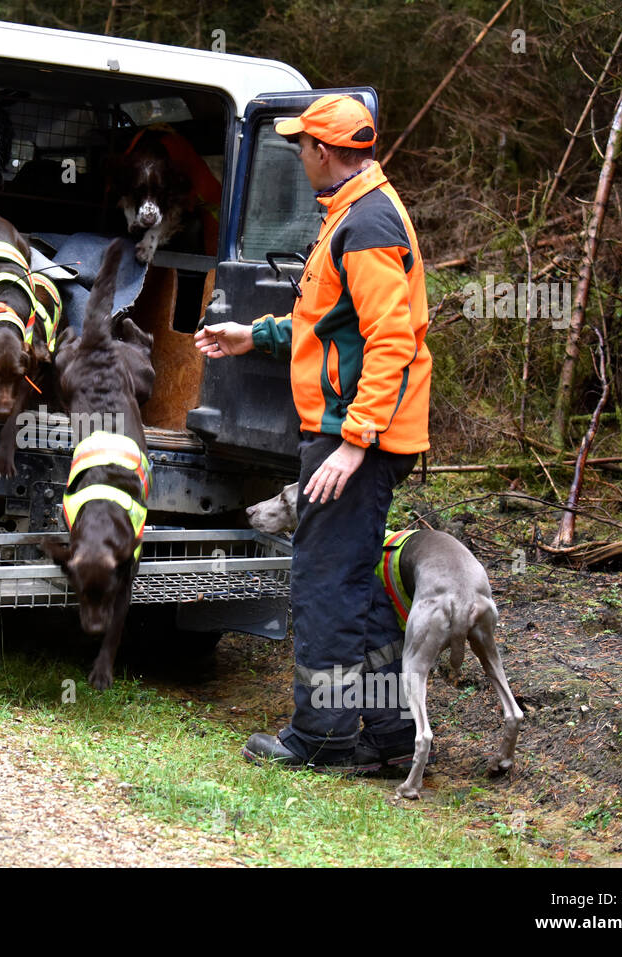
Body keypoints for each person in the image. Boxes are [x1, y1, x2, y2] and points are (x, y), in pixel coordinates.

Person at [194, 93, 432, 769]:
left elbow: (391, 339)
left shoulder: (370, 222)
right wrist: (253, 335)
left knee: (326, 581)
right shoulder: (355, 214)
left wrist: (355, 442)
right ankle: (392, 735)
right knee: (357, 581)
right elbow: (333, 324)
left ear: (325, 152)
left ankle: (324, 735)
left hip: (359, 437)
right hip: (361, 432)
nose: (298, 154)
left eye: (301, 145)